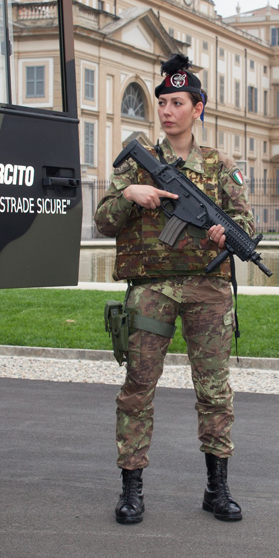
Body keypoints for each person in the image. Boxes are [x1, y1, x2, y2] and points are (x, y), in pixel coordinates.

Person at [93, 54, 255, 525]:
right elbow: (103, 219)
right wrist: (129, 195)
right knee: (138, 387)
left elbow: (244, 222)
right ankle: (131, 489)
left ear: (197, 108)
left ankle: (217, 488)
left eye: (177, 102)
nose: (166, 110)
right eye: (162, 101)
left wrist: (228, 235)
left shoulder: (222, 166)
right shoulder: (139, 163)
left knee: (214, 390)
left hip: (208, 290)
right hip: (152, 289)